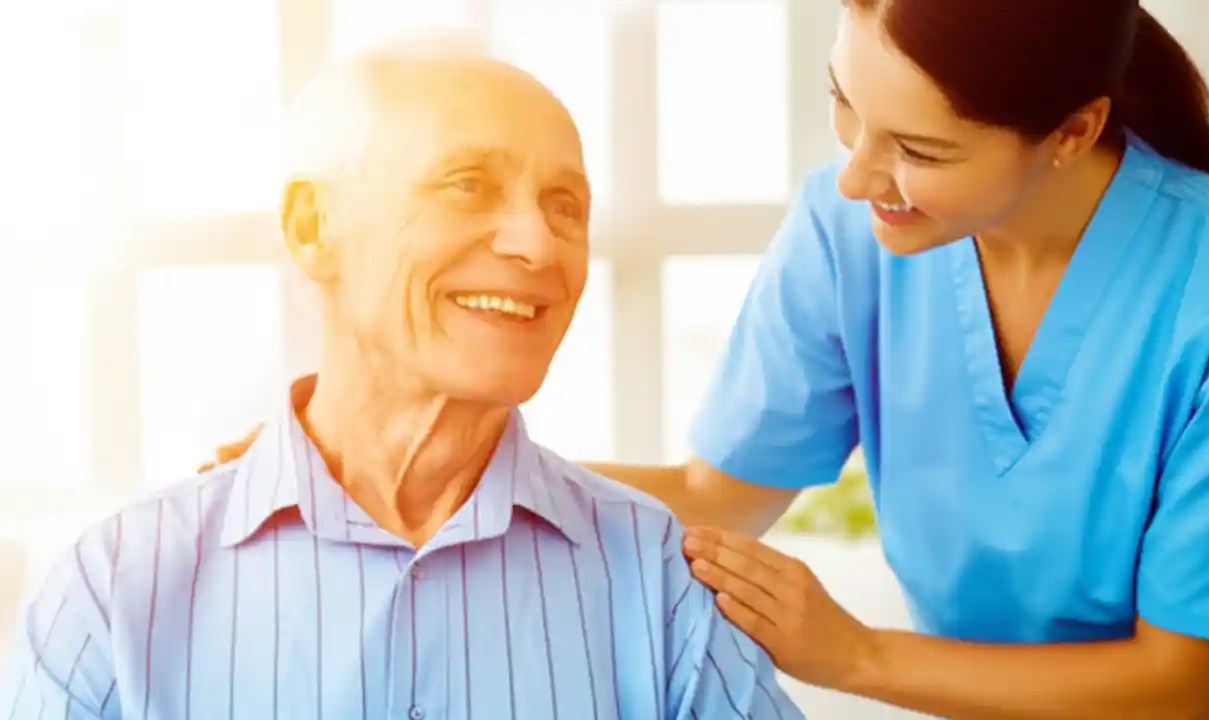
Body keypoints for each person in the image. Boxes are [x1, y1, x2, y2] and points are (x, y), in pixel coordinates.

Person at [203, 1, 1209, 717]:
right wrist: (368, 459)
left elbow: (1177, 677)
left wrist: (851, 655)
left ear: (1070, 129)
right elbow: (718, 494)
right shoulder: (847, 228)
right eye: (844, 111)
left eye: (918, 151)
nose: (857, 177)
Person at [0, 35, 801, 720]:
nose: (537, 244)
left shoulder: (658, 574)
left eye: (565, 204)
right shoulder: (116, 587)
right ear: (314, 229)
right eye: (467, 185)